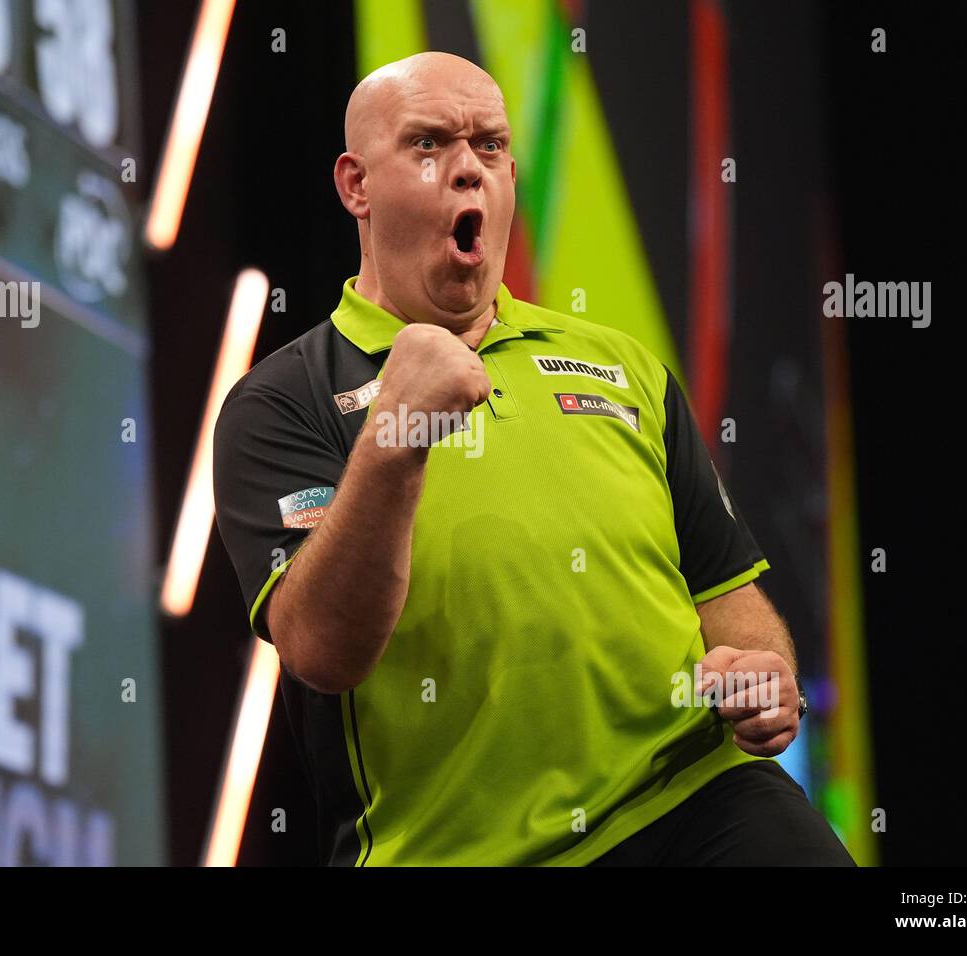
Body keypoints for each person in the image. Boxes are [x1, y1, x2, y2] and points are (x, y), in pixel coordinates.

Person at [213, 51, 853, 867]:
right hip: (463, 850)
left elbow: (724, 588)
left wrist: (764, 667)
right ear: (355, 185)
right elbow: (321, 651)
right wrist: (396, 434)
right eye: (429, 144)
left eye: (490, 146)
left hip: (696, 796)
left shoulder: (619, 361)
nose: (468, 170)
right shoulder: (282, 400)